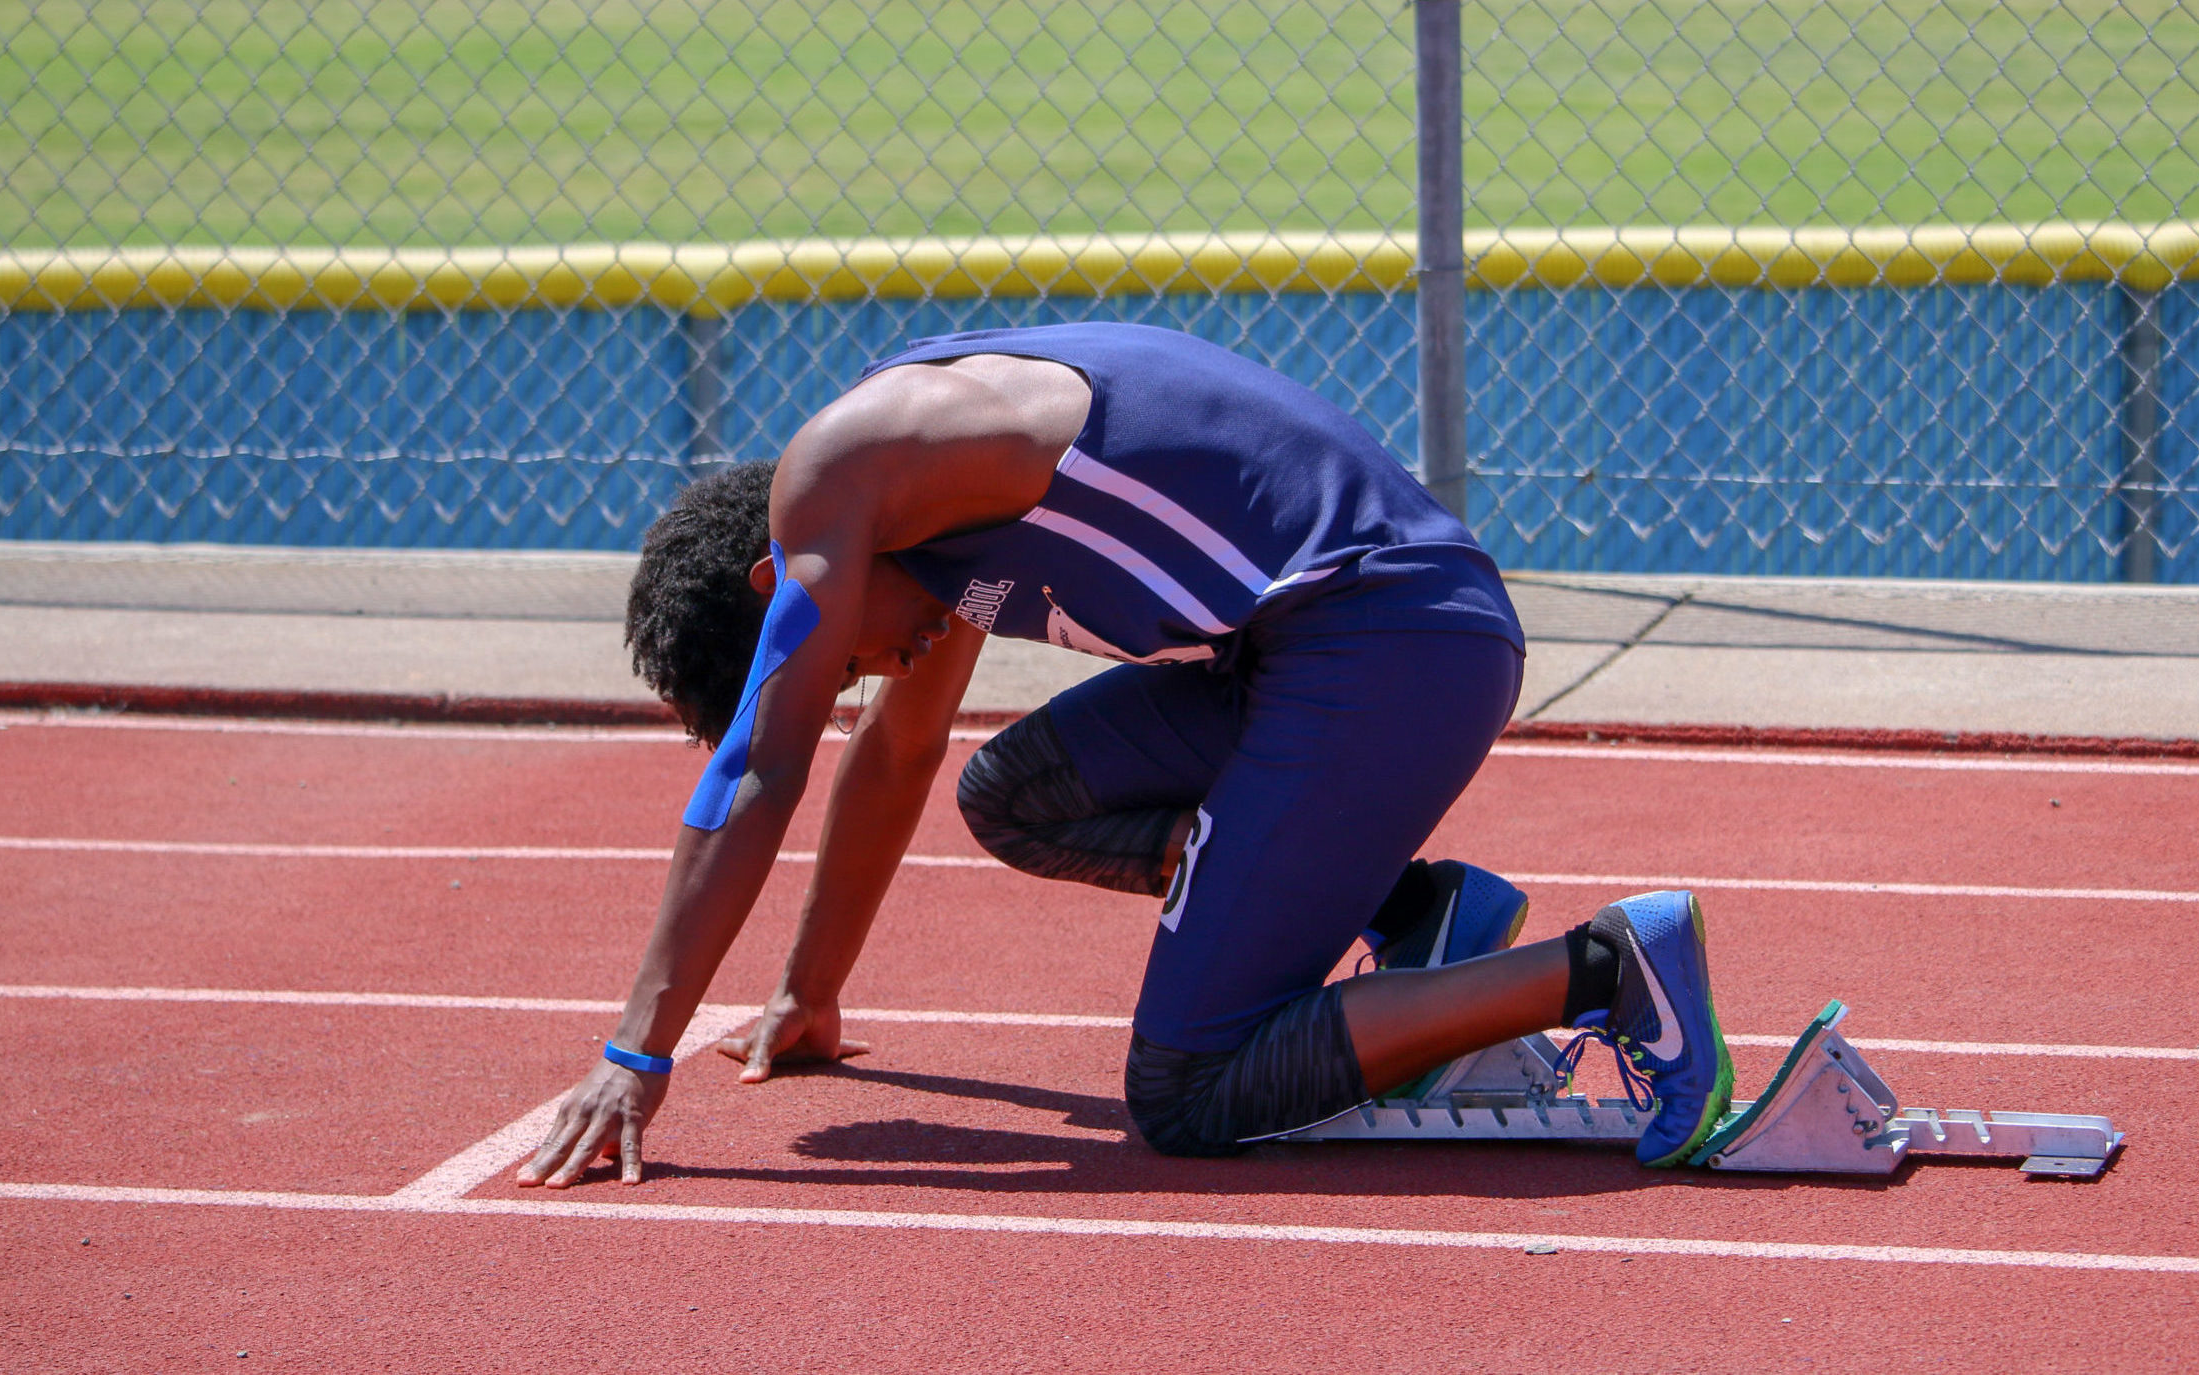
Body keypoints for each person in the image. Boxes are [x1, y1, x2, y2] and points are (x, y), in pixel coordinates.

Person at [514, 322, 1730, 1187]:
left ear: (786, 588)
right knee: (1015, 794)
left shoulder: (852, 468)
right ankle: (1420, 912)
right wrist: (809, 993)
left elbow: (759, 767)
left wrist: (636, 1049)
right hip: (1321, 651)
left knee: (1188, 1095)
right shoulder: (924, 522)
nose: (878, 672)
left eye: (847, 662)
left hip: (1392, 646)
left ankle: (1608, 971)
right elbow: (900, 752)